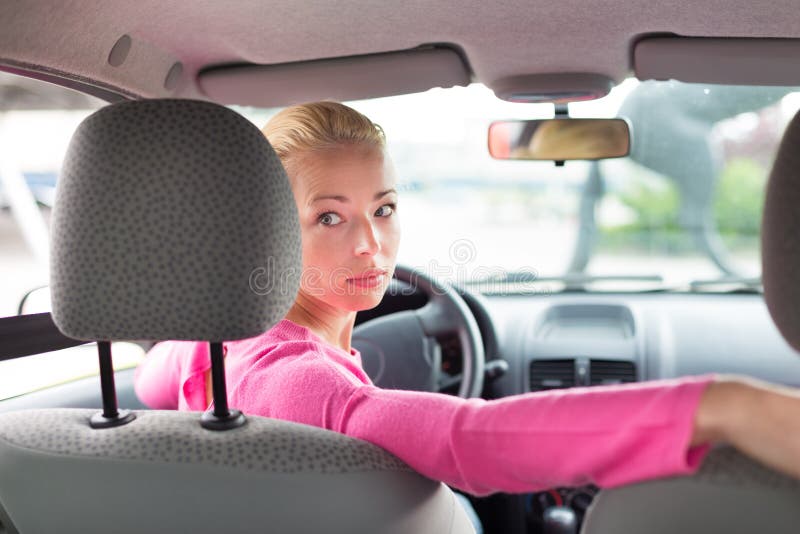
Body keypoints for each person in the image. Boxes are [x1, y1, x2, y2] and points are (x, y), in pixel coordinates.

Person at [134, 101, 800, 519]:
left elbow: (155, 375)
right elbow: (468, 441)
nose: (371, 242)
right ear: (267, 230)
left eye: (384, 208)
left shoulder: (205, 352)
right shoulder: (294, 379)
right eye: (328, 216)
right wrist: (725, 405)